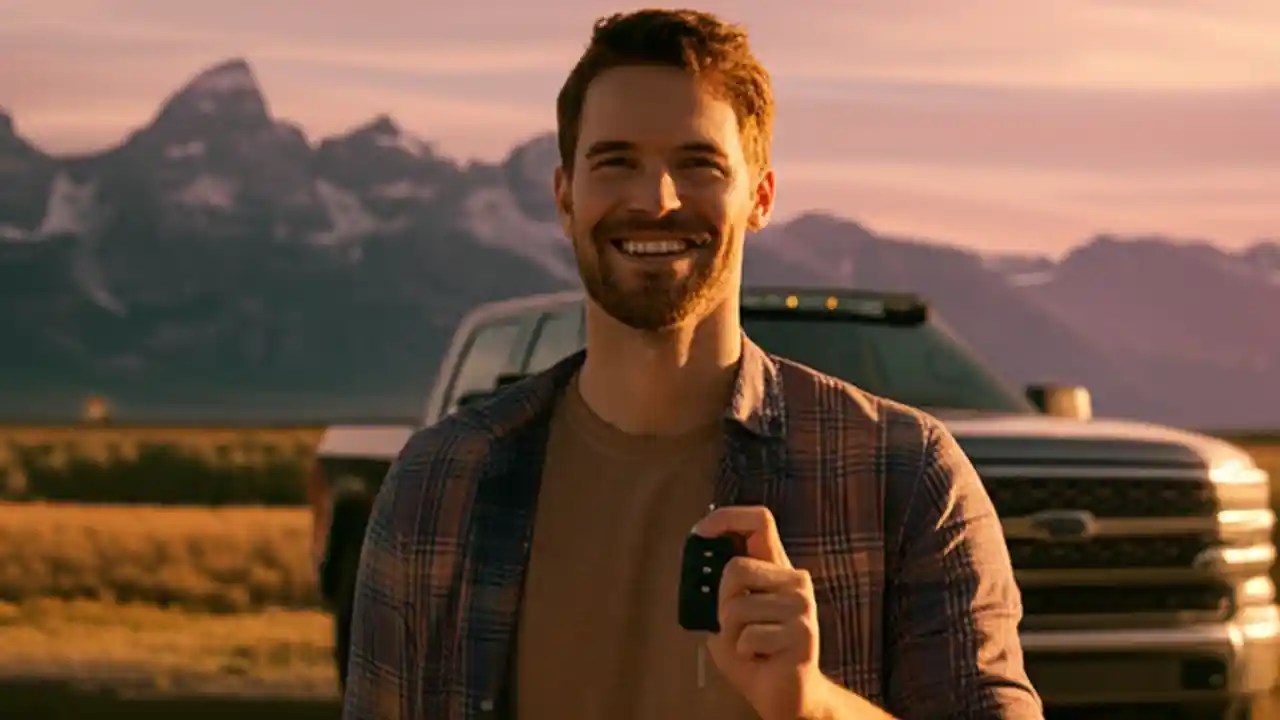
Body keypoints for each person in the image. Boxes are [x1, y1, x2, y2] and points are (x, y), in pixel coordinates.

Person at [342, 8, 1042, 720]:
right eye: (616, 163)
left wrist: (814, 706)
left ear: (760, 197)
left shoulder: (903, 476)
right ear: (564, 196)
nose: (657, 200)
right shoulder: (440, 486)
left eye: (698, 165)